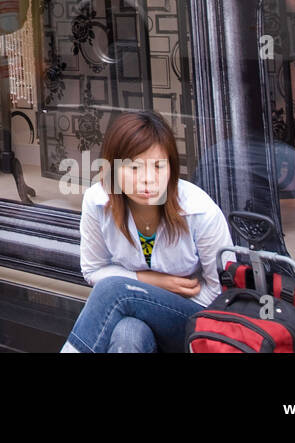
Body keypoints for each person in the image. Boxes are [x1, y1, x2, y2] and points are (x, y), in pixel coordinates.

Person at [61, 110, 233, 353]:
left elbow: (223, 291)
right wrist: (151, 283)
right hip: (133, 313)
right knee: (128, 332)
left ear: (172, 167)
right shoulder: (97, 201)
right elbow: (93, 270)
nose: (148, 180)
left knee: (115, 291)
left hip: (199, 318)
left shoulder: (199, 210)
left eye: (158, 166)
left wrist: (152, 303)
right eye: (133, 168)